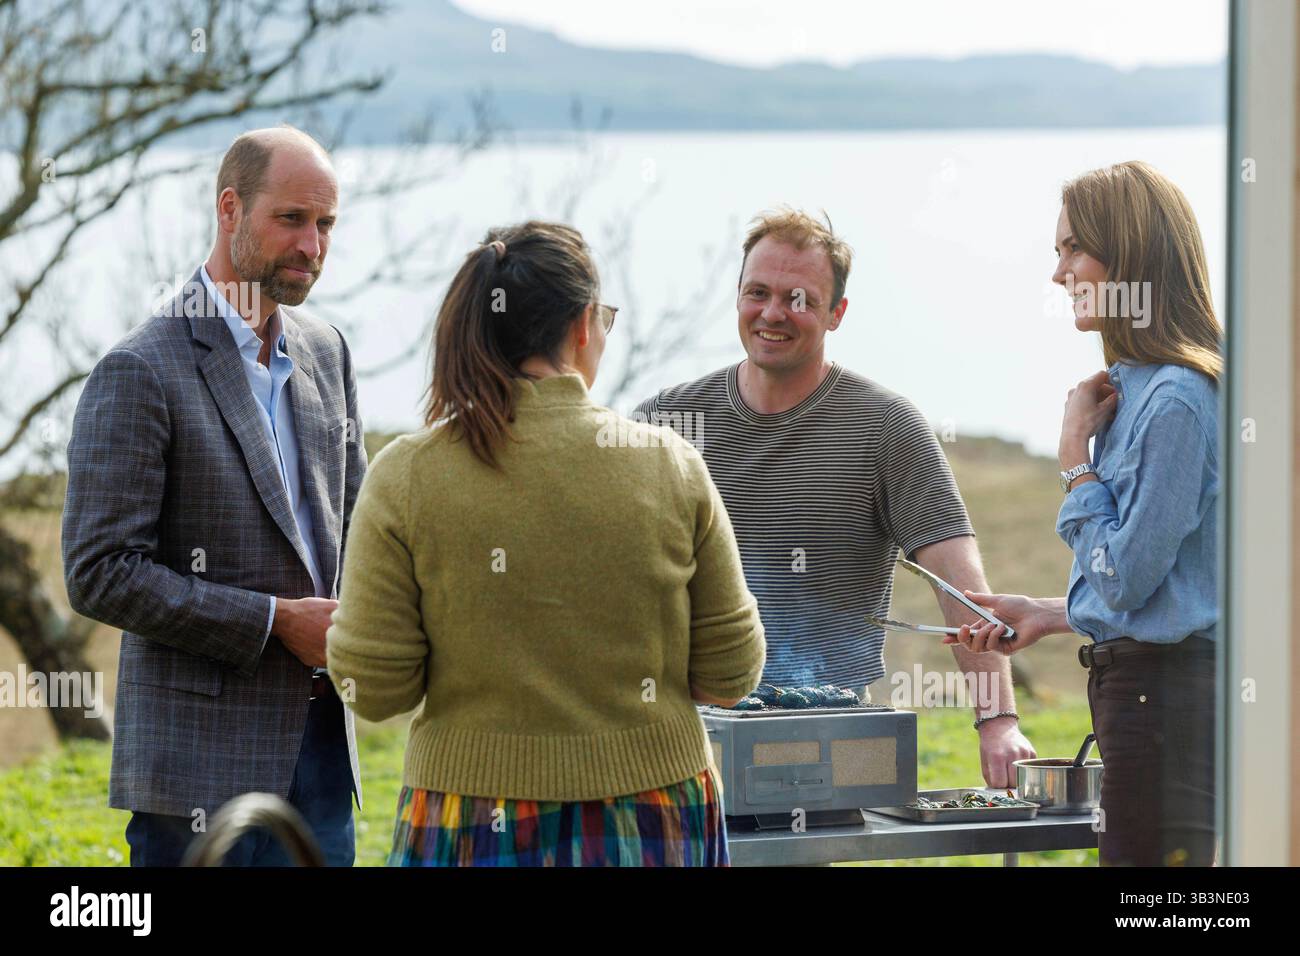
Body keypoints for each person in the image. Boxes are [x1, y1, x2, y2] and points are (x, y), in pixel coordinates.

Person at [325, 221, 765, 867]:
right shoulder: (667, 464)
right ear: (584, 323)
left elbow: (374, 685)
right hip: (652, 815)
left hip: (471, 813)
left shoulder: (408, 473)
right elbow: (730, 676)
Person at [633, 207, 1035, 788]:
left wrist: (997, 721)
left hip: (838, 736)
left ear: (837, 313)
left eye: (798, 298)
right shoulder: (668, 421)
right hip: (689, 736)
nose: (773, 313)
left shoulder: (886, 426)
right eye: (758, 293)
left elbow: (961, 589)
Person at [62, 126, 365, 866]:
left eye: (325, 224)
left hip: (327, 758)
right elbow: (99, 570)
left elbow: (354, 529)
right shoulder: (140, 368)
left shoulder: (328, 351)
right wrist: (270, 621)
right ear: (229, 209)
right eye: (290, 219)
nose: (312, 246)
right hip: (198, 774)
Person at [949, 161, 1221, 867]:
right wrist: (1050, 611)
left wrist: (1076, 460)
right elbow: (1174, 581)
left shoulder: (1177, 403)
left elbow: (1130, 581)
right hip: (1142, 702)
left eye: (1074, 249)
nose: (1058, 273)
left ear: (1128, 257)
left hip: (1164, 709)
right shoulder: (1136, 396)